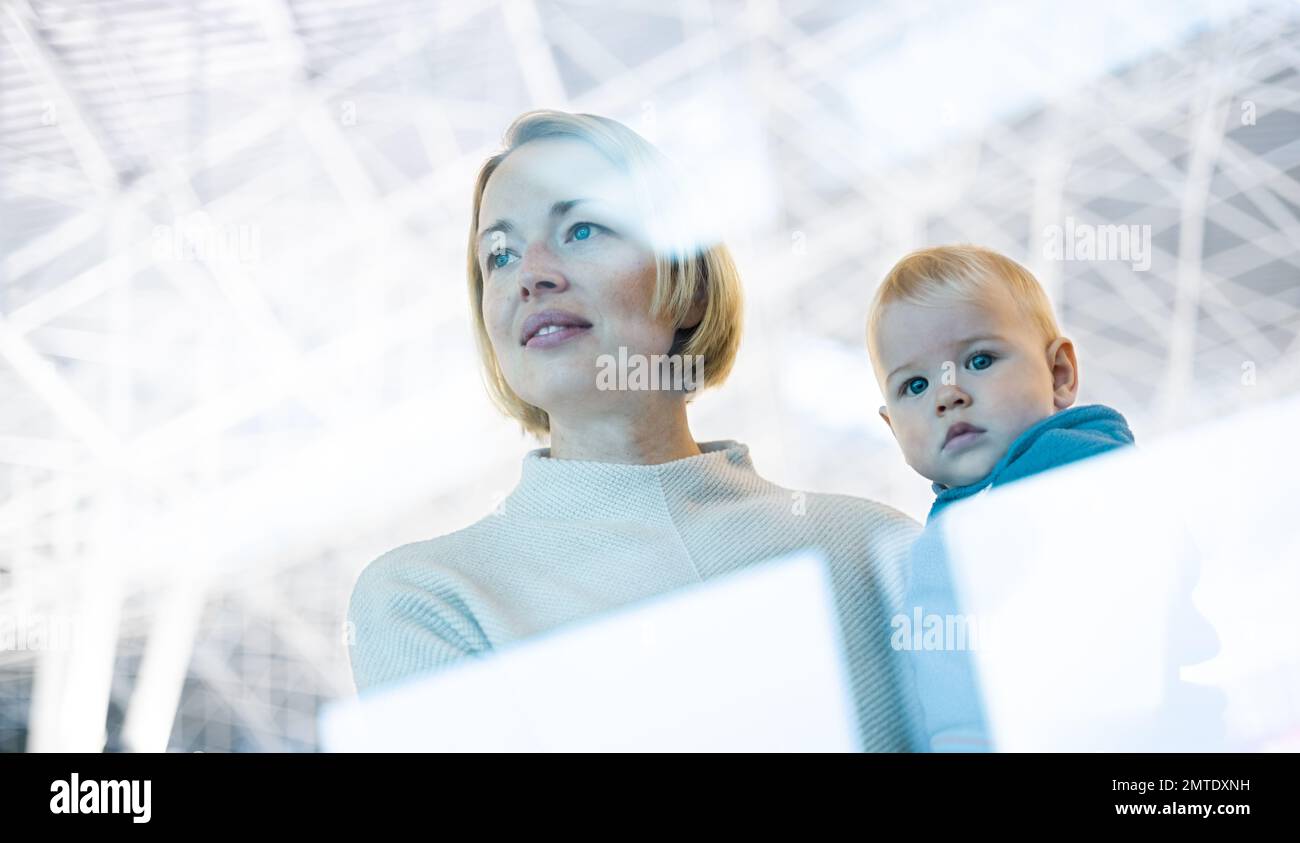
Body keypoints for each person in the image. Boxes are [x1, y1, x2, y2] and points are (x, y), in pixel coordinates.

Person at [346, 109, 926, 751]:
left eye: (582, 229)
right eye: (499, 255)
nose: (531, 275)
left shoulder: (877, 547)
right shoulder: (426, 599)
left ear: (689, 284)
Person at [866, 244, 1137, 751]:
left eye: (980, 359)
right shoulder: (944, 527)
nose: (947, 395)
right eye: (916, 384)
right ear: (892, 427)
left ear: (1059, 373)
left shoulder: (1077, 463)